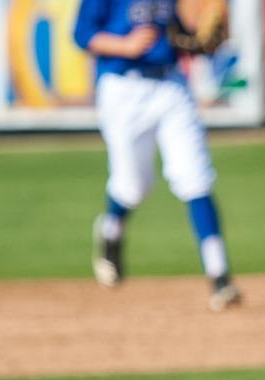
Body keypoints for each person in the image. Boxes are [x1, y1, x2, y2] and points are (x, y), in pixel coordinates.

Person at [73, 0, 241, 310]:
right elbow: (83, 35)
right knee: (133, 186)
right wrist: (125, 45)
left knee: (195, 177)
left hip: (170, 85)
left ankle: (220, 276)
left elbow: (176, 35)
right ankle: (111, 228)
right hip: (123, 89)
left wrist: (199, 41)